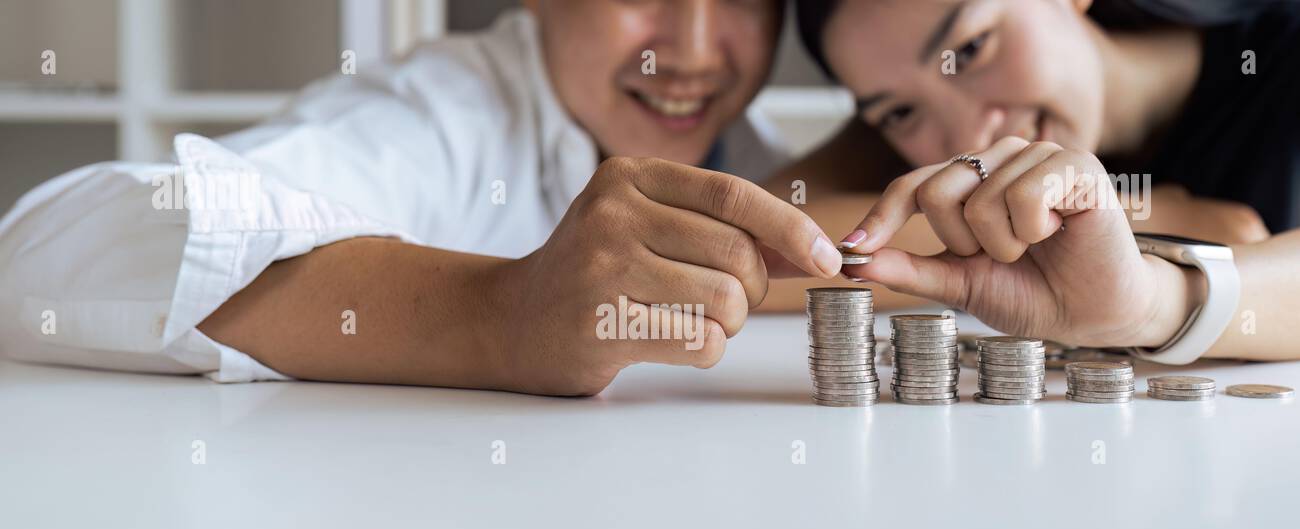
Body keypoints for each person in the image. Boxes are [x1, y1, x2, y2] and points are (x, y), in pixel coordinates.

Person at [0, 0, 845, 397]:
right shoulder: (436, 116)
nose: (694, 50)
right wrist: (501, 313)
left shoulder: (760, 156)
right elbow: (39, 249)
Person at [792, 0, 1300, 360]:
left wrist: (1154, 296)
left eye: (969, 50)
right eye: (899, 110)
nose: (971, 133)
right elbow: (752, 233)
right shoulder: (897, 144)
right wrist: (1141, 216)